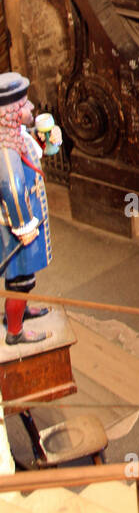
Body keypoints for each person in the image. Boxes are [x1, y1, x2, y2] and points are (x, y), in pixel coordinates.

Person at [0, 72, 57, 346]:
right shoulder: (4, 151)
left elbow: (32, 153)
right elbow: (12, 187)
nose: (31, 107)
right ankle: (15, 331)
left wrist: (46, 140)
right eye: (23, 104)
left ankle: (20, 312)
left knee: (25, 279)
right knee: (20, 280)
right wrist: (24, 226)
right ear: (10, 112)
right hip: (16, 229)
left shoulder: (15, 135)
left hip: (25, 222)